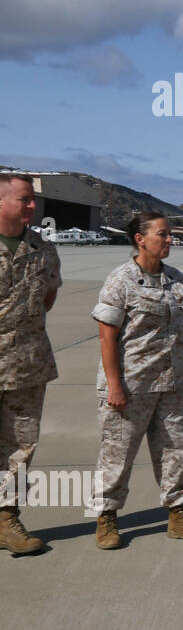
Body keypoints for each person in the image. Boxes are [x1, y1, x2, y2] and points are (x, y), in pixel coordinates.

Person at [90, 212, 183, 549]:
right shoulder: (120, 280)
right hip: (131, 383)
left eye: (170, 234)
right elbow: (106, 337)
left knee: (176, 451)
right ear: (140, 239)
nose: (169, 240)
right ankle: (106, 518)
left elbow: (182, 329)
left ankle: (178, 514)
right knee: (117, 453)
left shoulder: (176, 279)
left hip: (173, 382)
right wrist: (114, 385)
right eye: (163, 234)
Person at [0, 173, 61, 555]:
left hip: (26, 365)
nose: (32, 206)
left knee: (19, 446)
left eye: (32, 200)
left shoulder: (42, 248)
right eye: (25, 199)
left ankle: (6, 519)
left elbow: (48, 297)